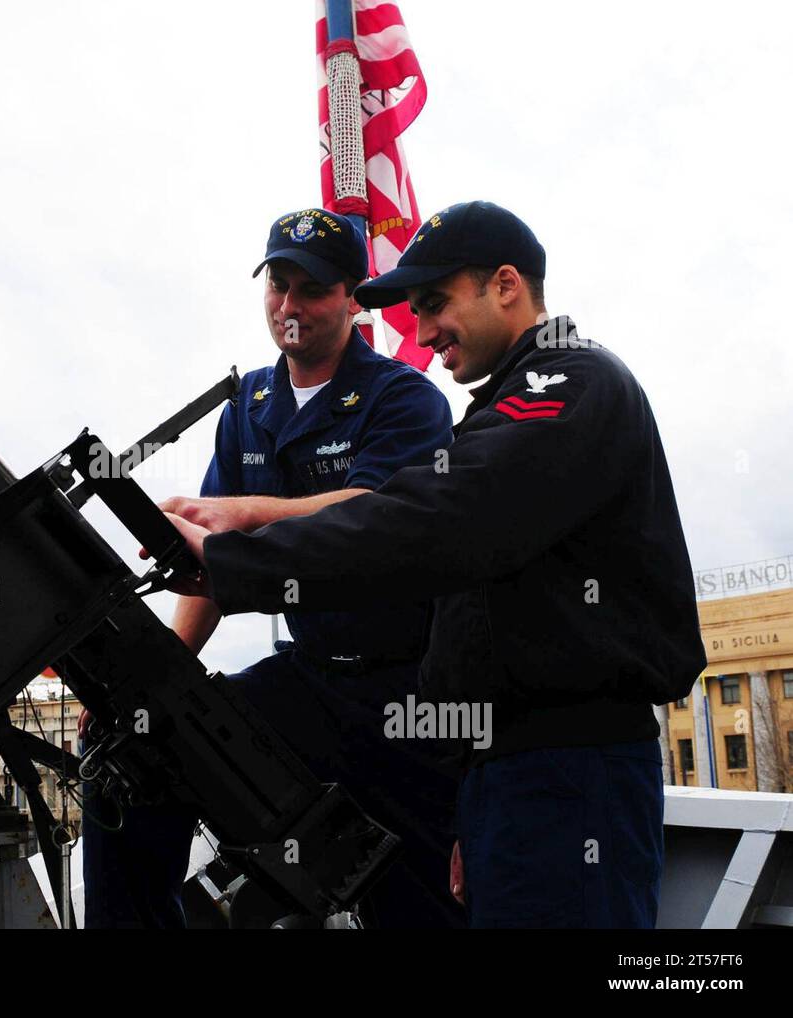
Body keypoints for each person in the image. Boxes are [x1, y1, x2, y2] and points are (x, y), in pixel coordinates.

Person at [160, 200, 707, 928]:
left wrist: (240, 555)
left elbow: (430, 523)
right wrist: (468, 807)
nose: (420, 334)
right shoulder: (500, 410)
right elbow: (464, 604)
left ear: (506, 285)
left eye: (435, 305)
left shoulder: (571, 384)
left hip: (574, 774)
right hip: (497, 775)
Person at [82, 207, 464, 928]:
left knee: (420, 905)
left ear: (353, 297)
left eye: (312, 289)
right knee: (137, 754)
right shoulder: (249, 406)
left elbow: (377, 510)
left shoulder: (405, 400)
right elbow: (210, 570)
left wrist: (245, 514)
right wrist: (160, 673)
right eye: (277, 285)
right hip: (310, 678)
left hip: (408, 691)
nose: (290, 305)